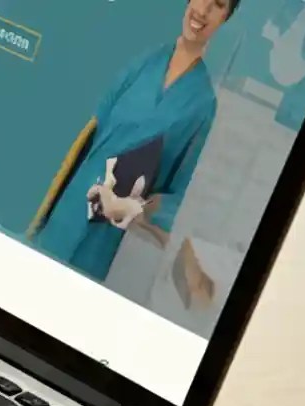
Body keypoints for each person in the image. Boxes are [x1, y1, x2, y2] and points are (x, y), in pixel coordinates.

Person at [27, 0, 239, 282]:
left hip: (109, 239)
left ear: (226, 18)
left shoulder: (202, 104)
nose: (202, 10)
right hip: (67, 211)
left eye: (217, 5)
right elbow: (87, 133)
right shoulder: (144, 61)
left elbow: (179, 196)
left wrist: (135, 209)